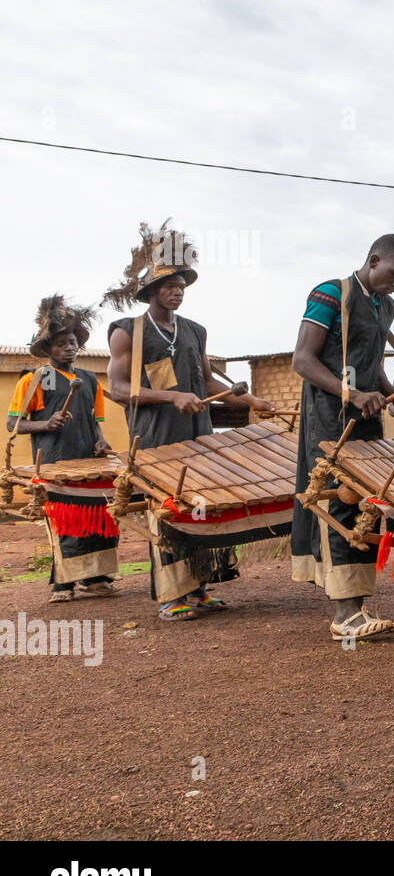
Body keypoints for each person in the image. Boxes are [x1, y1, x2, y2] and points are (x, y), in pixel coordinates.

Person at [104, 221, 273, 621]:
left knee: (200, 506)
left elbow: (207, 380)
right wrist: (171, 396)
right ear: (150, 292)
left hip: (199, 435)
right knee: (167, 510)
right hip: (155, 438)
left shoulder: (196, 330)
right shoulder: (128, 332)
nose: (177, 291)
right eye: (169, 286)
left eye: (181, 285)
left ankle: (198, 588)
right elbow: (114, 388)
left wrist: (250, 399)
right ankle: (171, 595)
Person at [291, 234, 394, 642]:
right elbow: (302, 360)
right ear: (373, 259)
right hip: (330, 418)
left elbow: (370, 365)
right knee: (340, 501)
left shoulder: (387, 305)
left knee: (367, 503)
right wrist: (350, 393)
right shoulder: (331, 294)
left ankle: (357, 605)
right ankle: (344, 614)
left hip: (367, 417)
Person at [8, 296, 118, 602]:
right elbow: (12, 425)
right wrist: (45, 424)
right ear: (47, 350)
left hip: (89, 463)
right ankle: (63, 584)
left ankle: (95, 580)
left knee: (98, 517)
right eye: (59, 343)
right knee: (66, 520)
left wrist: (100, 440)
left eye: (71, 342)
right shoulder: (34, 380)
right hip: (55, 463)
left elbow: (96, 422)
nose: (68, 347)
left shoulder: (89, 380)